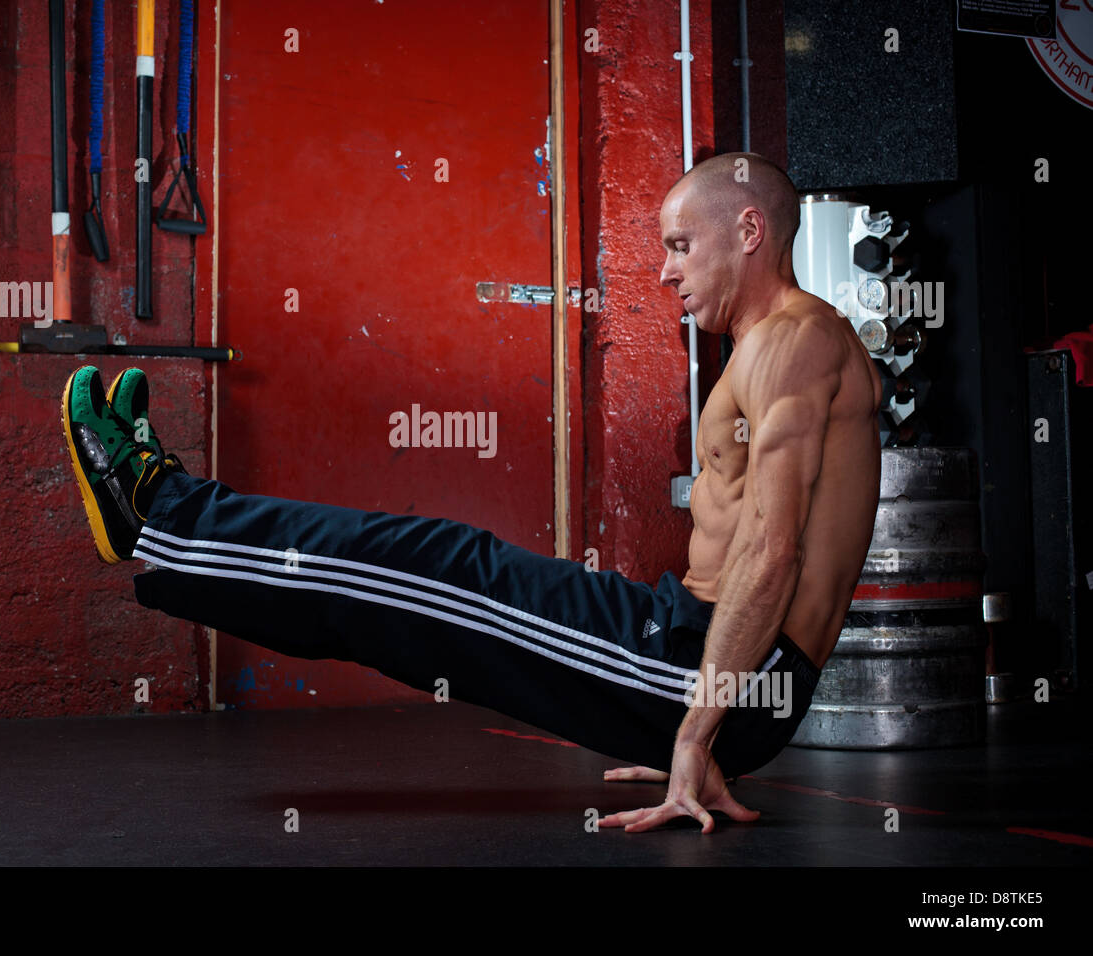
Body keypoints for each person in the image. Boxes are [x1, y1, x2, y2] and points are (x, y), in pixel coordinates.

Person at [61, 152, 882, 834]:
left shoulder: (797, 340)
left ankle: (157, 514)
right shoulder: (774, 345)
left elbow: (774, 548)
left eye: (679, 245)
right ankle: (168, 517)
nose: (664, 270)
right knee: (428, 577)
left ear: (749, 231)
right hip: (693, 655)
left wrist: (696, 733)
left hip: (711, 672)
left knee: (432, 570)